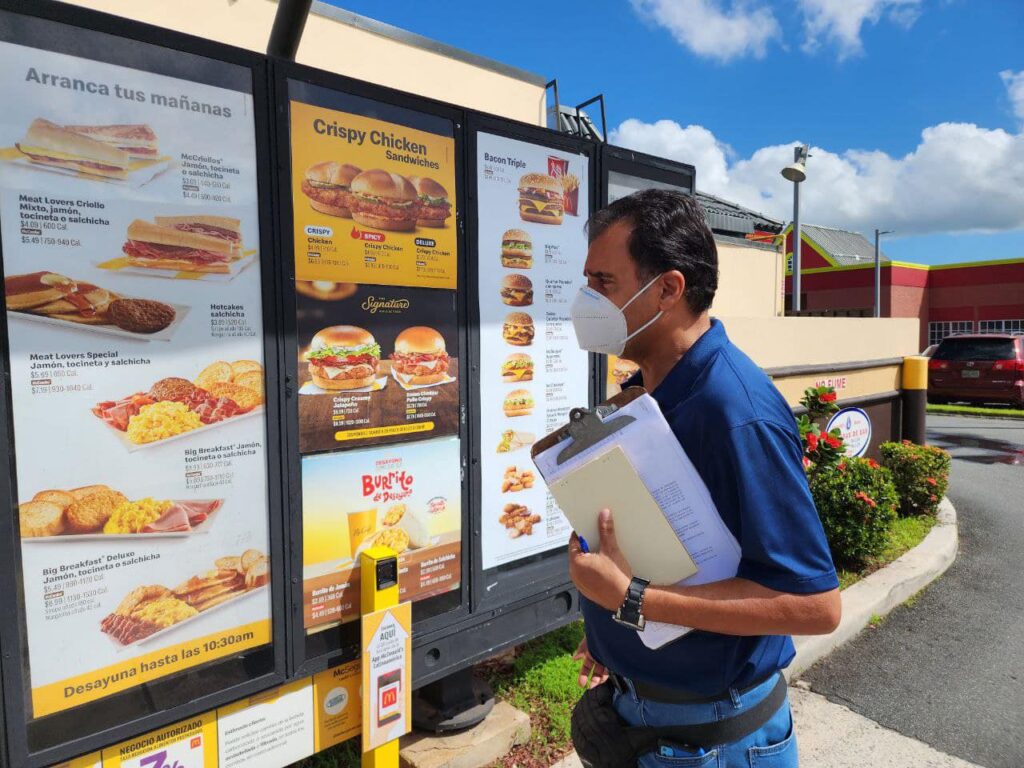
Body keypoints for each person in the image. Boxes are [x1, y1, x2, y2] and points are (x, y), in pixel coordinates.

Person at [567, 189, 841, 767]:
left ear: (668, 289)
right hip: (649, 717)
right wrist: (614, 631)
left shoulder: (735, 413)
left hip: (710, 740)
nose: (586, 299)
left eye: (604, 283)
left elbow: (814, 604)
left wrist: (634, 600)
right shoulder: (652, 391)